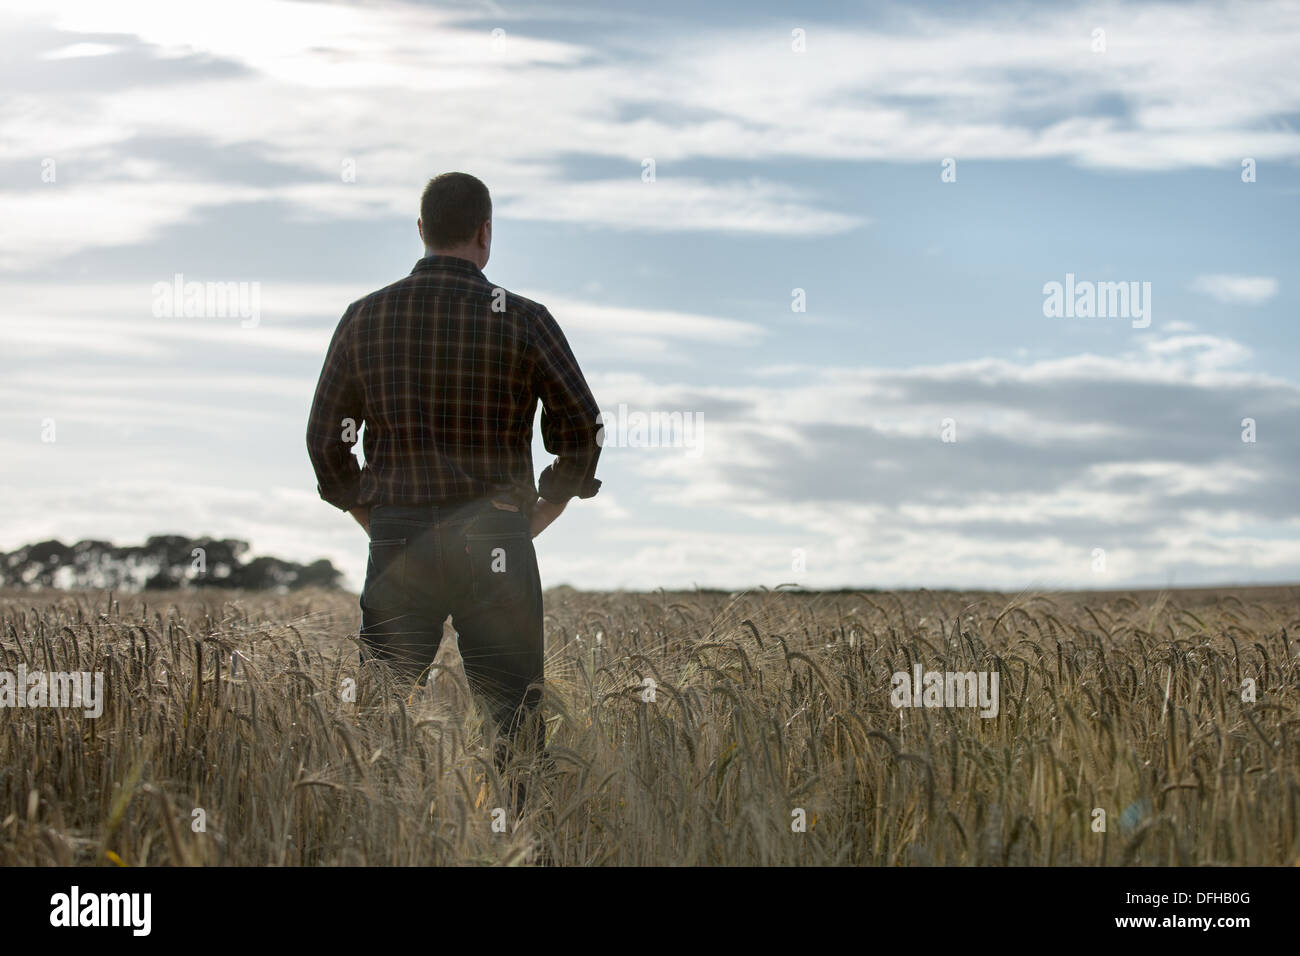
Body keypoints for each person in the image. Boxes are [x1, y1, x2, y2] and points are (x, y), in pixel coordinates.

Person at [306, 172, 602, 809]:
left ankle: (382, 842)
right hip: (495, 540)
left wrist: (378, 519)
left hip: (399, 540)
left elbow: (326, 442)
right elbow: (583, 428)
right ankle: (524, 844)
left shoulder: (365, 317)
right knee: (516, 728)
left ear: (420, 230)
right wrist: (533, 519)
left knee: (382, 723)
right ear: (485, 232)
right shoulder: (524, 319)